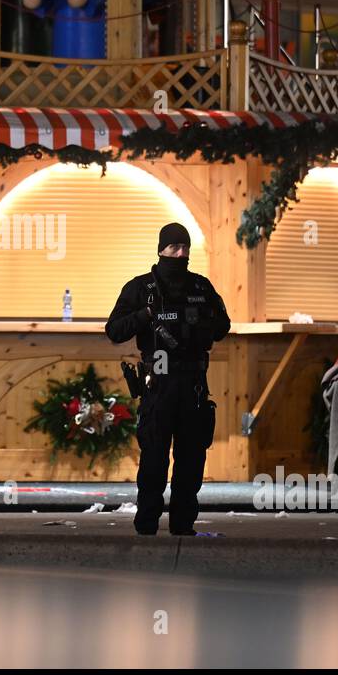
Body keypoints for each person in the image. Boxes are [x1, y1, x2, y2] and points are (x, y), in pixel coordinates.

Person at [105, 223, 230, 535]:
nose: (181, 254)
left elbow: (223, 325)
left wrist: (202, 325)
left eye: (185, 248)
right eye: (174, 248)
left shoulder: (200, 287)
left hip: (194, 386)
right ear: (161, 249)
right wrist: (144, 316)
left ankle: (183, 525)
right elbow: (114, 330)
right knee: (154, 459)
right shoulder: (141, 287)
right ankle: (147, 524)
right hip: (158, 385)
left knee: (191, 460)